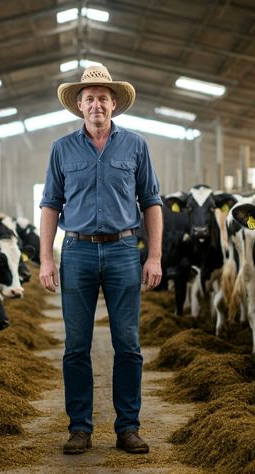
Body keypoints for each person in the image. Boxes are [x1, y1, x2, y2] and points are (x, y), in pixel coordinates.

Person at [39, 65, 163, 455]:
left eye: (103, 97)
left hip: (124, 250)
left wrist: (154, 256)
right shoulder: (62, 148)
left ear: (114, 104)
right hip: (75, 251)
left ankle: (128, 427)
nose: (96, 104)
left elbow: (152, 203)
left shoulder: (136, 146)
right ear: (79, 105)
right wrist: (45, 259)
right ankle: (80, 428)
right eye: (89, 98)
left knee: (127, 344)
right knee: (76, 345)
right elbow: (49, 206)